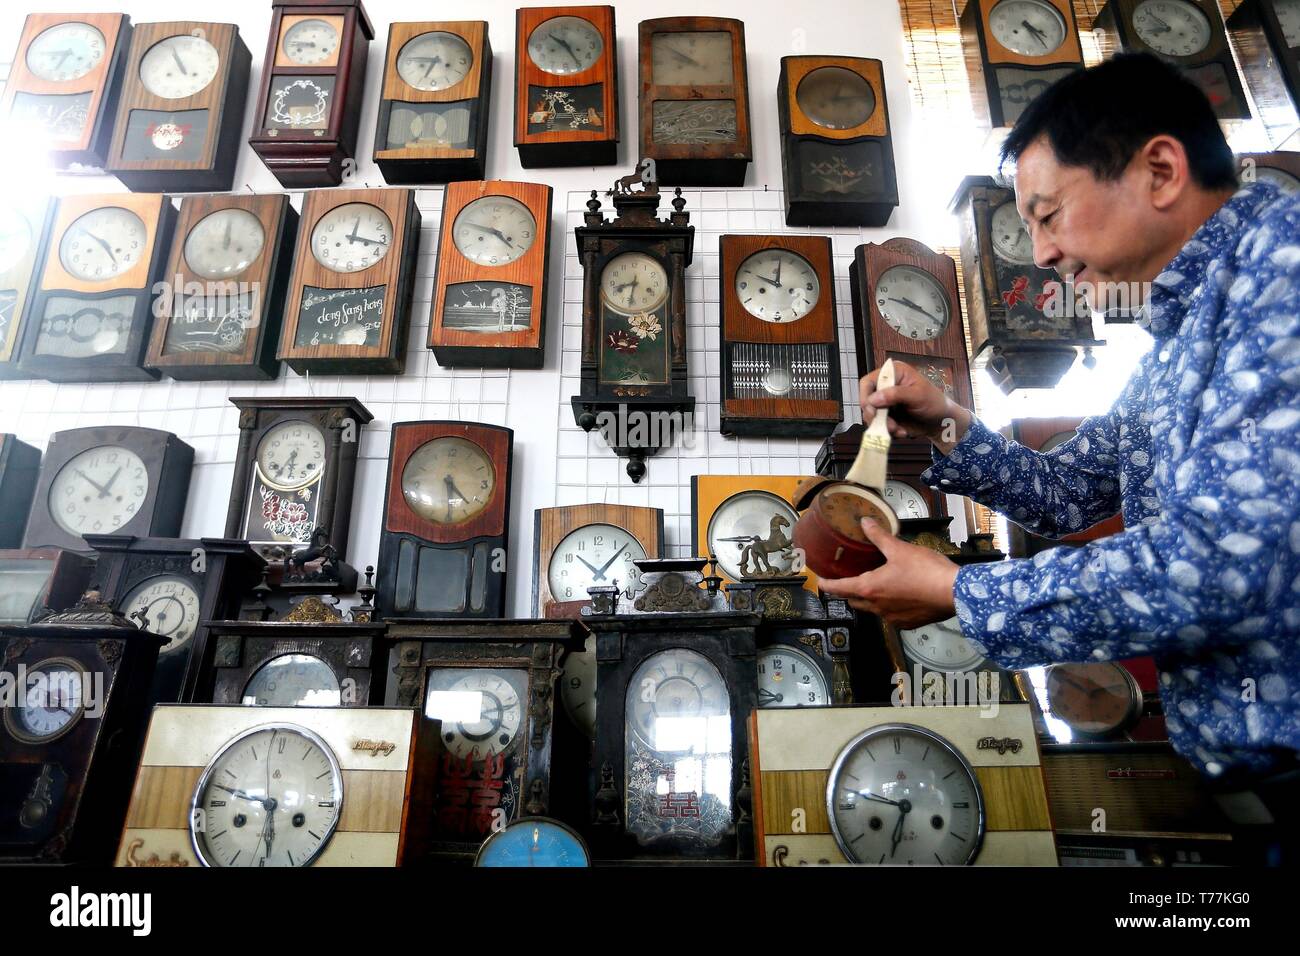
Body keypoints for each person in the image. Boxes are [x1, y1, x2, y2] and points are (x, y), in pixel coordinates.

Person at [817, 53, 1300, 861]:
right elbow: (1070, 492)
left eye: (1047, 214)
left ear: (1159, 170)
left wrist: (962, 593)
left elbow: (1219, 564)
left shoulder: (1281, 276)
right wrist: (944, 426)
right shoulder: (1176, 341)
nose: (1039, 253)